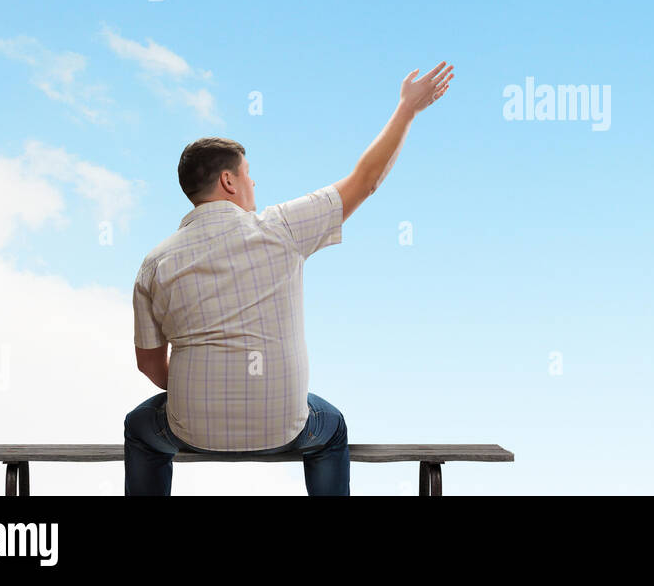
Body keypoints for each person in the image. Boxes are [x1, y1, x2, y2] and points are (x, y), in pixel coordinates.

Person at [123, 61, 453, 495]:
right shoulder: (281, 229)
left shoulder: (155, 263)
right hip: (285, 424)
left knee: (139, 427)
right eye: (247, 174)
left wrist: (198, 387)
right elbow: (366, 180)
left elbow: (150, 365)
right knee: (331, 430)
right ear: (228, 180)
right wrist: (407, 110)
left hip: (191, 427)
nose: (253, 182)